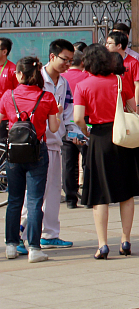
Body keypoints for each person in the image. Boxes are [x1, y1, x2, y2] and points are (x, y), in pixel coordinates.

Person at [73, 45, 139, 259]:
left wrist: (87, 131)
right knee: (126, 192)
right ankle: (125, 240)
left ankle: (103, 244)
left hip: (100, 137)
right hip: (122, 135)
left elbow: (78, 117)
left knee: (99, 194)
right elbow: (132, 107)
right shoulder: (120, 81)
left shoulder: (83, 85)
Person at [3, 56, 60, 263]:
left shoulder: (8, 96)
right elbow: (54, 128)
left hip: (14, 153)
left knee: (14, 200)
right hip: (37, 152)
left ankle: (11, 245)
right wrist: (58, 114)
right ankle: (35, 248)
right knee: (35, 201)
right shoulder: (46, 97)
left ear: (19, 74)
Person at [31, 40, 75, 250]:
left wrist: (71, 132)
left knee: (54, 191)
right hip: (36, 144)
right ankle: (25, 233)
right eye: (65, 60)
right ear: (52, 57)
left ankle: (49, 234)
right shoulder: (36, 78)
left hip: (56, 143)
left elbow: (67, 112)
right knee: (33, 193)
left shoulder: (63, 83)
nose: (68, 64)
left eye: (71, 61)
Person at [61, 44, 89, 210]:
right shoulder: (86, 78)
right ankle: (87, 197)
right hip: (84, 123)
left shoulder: (62, 78)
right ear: (82, 63)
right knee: (87, 162)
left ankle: (71, 199)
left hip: (66, 125)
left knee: (68, 163)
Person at [106, 29, 139, 117]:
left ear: (119, 45)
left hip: (128, 105)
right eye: (107, 43)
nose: (106, 46)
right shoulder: (105, 62)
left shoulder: (133, 62)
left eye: (109, 43)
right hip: (110, 104)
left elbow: (137, 85)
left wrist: (137, 105)